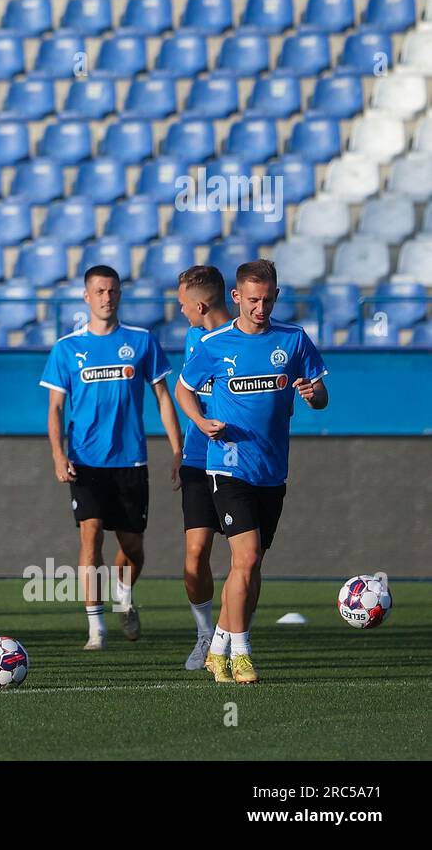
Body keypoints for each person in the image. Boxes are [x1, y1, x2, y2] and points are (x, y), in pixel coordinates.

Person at [176, 259, 328, 685]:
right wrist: (202, 422)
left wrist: (313, 394)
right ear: (237, 298)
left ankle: (220, 644)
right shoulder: (214, 343)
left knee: (251, 568)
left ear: (276, 297)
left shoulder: (294, 340)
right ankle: (241, 654)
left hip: (272, 471)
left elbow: (321, 398)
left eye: (267, 299)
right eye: (253, 299)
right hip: (227, 467)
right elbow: (184, 389)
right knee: (246, 556)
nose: (260, 307)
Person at [39, 265, 183, 651]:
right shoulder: (67, 349)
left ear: (120, 295)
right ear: (87, 297)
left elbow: (164, 398)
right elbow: (55, 409)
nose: (107, 297)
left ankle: (123, 593)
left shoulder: (141, 341)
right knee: (90, 539)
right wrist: (57, 454)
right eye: (99, 291)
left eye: (113, 291)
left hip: (131, 461)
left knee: (133, 548)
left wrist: (178, 449)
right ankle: (95, 629)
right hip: (85, 462)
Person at [175, 264, 233, 670]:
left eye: (182, 305)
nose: (180, 311)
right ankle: (205, 635)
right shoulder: (194, 338)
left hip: (237, 462)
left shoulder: (245, 338)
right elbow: (187, 393)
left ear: (200, 304)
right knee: (196, 555)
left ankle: (233, 640)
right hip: (197, 459)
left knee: (244, 559)